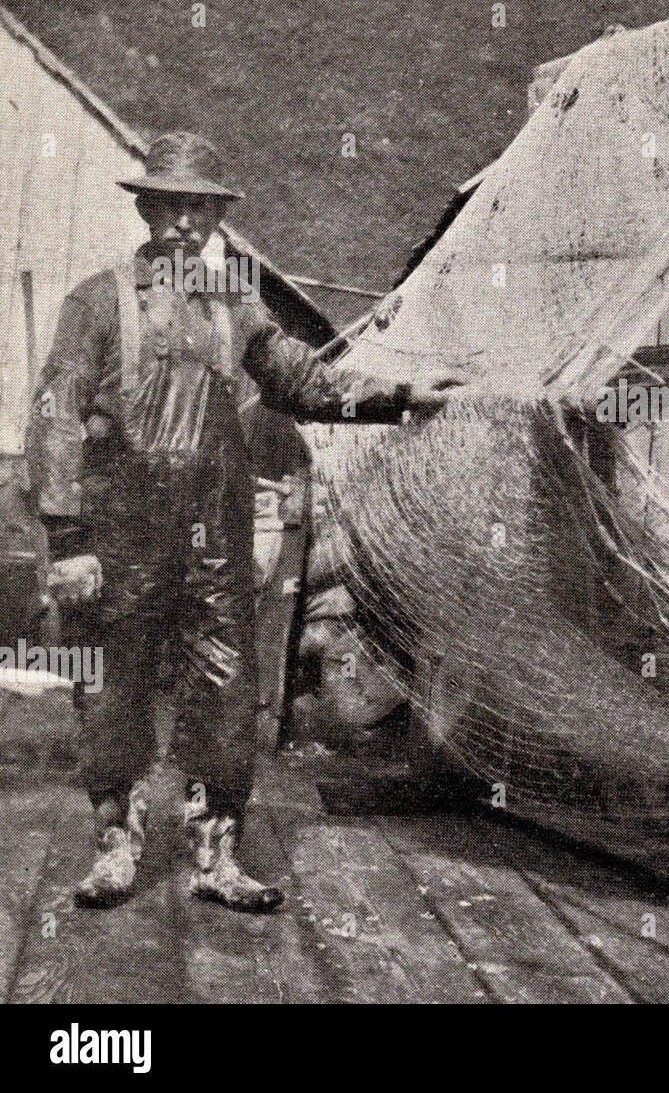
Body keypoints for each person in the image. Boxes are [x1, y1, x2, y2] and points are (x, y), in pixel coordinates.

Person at [26, 131, 459, 912]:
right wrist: (68, 539)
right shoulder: (96, 301)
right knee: (113, 688)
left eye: (201, 209)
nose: (186, 223)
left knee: (227, 690)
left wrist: (399, 393)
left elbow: (303, 382)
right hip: (121, 540)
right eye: (173, 205)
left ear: (216, 217)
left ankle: (215, 853)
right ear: (147, 207)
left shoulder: (234, 304)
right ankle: (116, 844)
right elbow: (55, 415)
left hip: (214, 539)